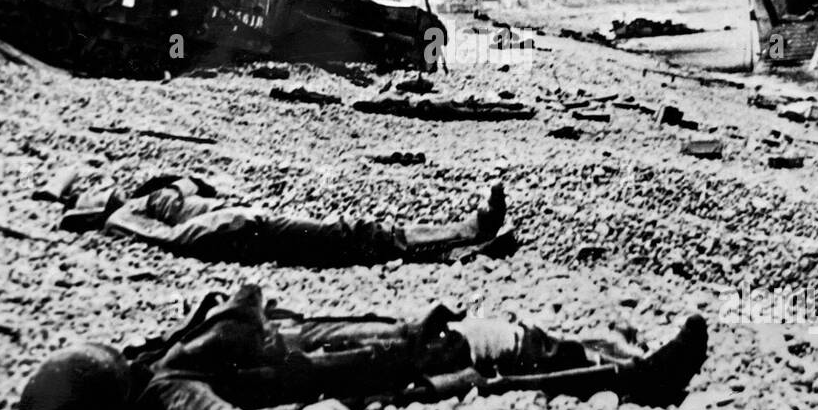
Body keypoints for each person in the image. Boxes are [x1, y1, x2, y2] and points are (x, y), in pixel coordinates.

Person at [19, 283, 709, 410]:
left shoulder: (158, 368)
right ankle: (636, 380)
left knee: (484, 343)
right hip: (346, 374)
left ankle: (609, 358)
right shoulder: (169, 389)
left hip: (332, 348)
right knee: (483, 363)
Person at [63, 174, 509, 267]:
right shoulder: (130, 211)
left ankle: (455, 249)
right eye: (96, 185)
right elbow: (193, 185)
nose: (108, 183)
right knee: (344, 236)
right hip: (238, 230)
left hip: (236, 229)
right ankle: (466, 233)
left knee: (341, 242)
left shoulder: (129, 216)